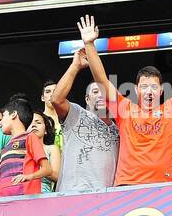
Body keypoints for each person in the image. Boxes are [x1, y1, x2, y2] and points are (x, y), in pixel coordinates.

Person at [76, 15, 172, 185]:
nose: (149, 92)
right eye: (144, 87)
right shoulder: (124, 108)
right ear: (136, 90)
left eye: (154, 87)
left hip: (161, 186)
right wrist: (89, 45)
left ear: (161, 90)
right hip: (127, 185)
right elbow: (101, 80)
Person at [49, 48, 119, 193]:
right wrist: (75, 67)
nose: (100, 95)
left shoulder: (118, 130)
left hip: (106, 200)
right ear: (87, 99)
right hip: (73, 195)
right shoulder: (77, 115)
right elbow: (56, 99)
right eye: (95, 92)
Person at [0, 98, 50, 197]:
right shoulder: (4, 149)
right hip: (3, 201)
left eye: (3, 117)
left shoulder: (30, 137)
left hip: (25, 199)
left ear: (13, 114)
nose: (0, 123)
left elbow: (47, 169)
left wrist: (28, 177)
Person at [29, 110, 60, 192]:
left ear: (46, 130)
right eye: (30, 122)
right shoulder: (20, 150)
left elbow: (57, 177)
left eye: (38, 122)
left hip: (43, 195)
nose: (33, 125)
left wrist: (40, 168)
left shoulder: (52, 148)